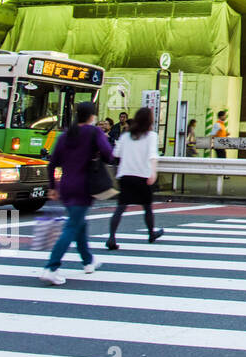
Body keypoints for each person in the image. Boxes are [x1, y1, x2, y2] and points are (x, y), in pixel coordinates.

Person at [40, 101, 113, 285]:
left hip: (66, 186)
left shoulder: (65, 135)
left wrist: (52, 187)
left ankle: (88, 261)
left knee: (79, 223)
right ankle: (51, 267)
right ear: (92, 116)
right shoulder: (93, 132)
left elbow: (52, 163)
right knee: (72, 226)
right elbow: (109, 154)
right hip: (84, 186)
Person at [106, 106, 164, 250]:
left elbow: (116, 153)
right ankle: (151, 233)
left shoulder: (126, 136)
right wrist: (153, 173)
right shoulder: (151, 136)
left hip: (125, 175)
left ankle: (111, 237)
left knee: (120, 207)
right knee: (147, 207)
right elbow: (152, 156)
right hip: (143, 175)